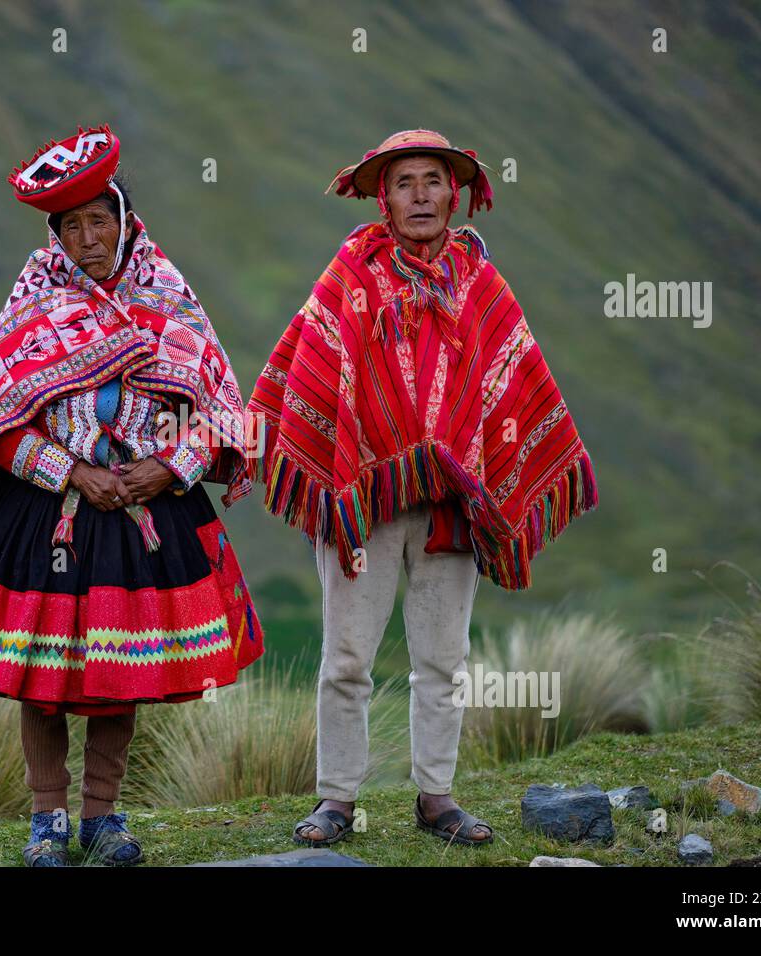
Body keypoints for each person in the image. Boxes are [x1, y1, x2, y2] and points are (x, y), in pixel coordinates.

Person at [0, 124, 264, 866]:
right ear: (55, 236)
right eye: (70, 226)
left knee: (120, 677)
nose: (87, 238)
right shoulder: (32, 306)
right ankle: (47, 820)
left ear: (125, 221)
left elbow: (223, 416)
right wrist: (73, 472)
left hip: (148, 510)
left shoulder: (169, 301)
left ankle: (103, 820)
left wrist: (167, 467)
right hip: (49, 515)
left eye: (99, 220)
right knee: (41, 680)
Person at [246, 129, 597, 848]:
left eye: (432, 180)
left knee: (443, 659)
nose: (420, 195)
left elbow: (513, 375)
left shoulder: (481, 283)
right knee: (347, 657)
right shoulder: (352, 272)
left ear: (454, 192)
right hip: (363, 504)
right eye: (404, 182)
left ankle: (436, 797)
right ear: (384, 197)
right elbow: (300, 364)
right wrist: (247, 442)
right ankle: (336, 800)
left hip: (451, 507)